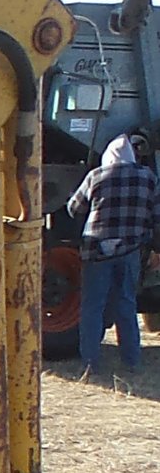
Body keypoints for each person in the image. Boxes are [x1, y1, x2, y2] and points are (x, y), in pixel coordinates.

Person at [66, 132, 159, 374]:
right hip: (130, 249)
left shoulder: (96, 175)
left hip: (97, 249)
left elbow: (74, 208)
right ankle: (131, 361)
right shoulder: (148, 177)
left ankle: (90, 363)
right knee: (126, 303)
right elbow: (157, 216)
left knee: (93, 306)